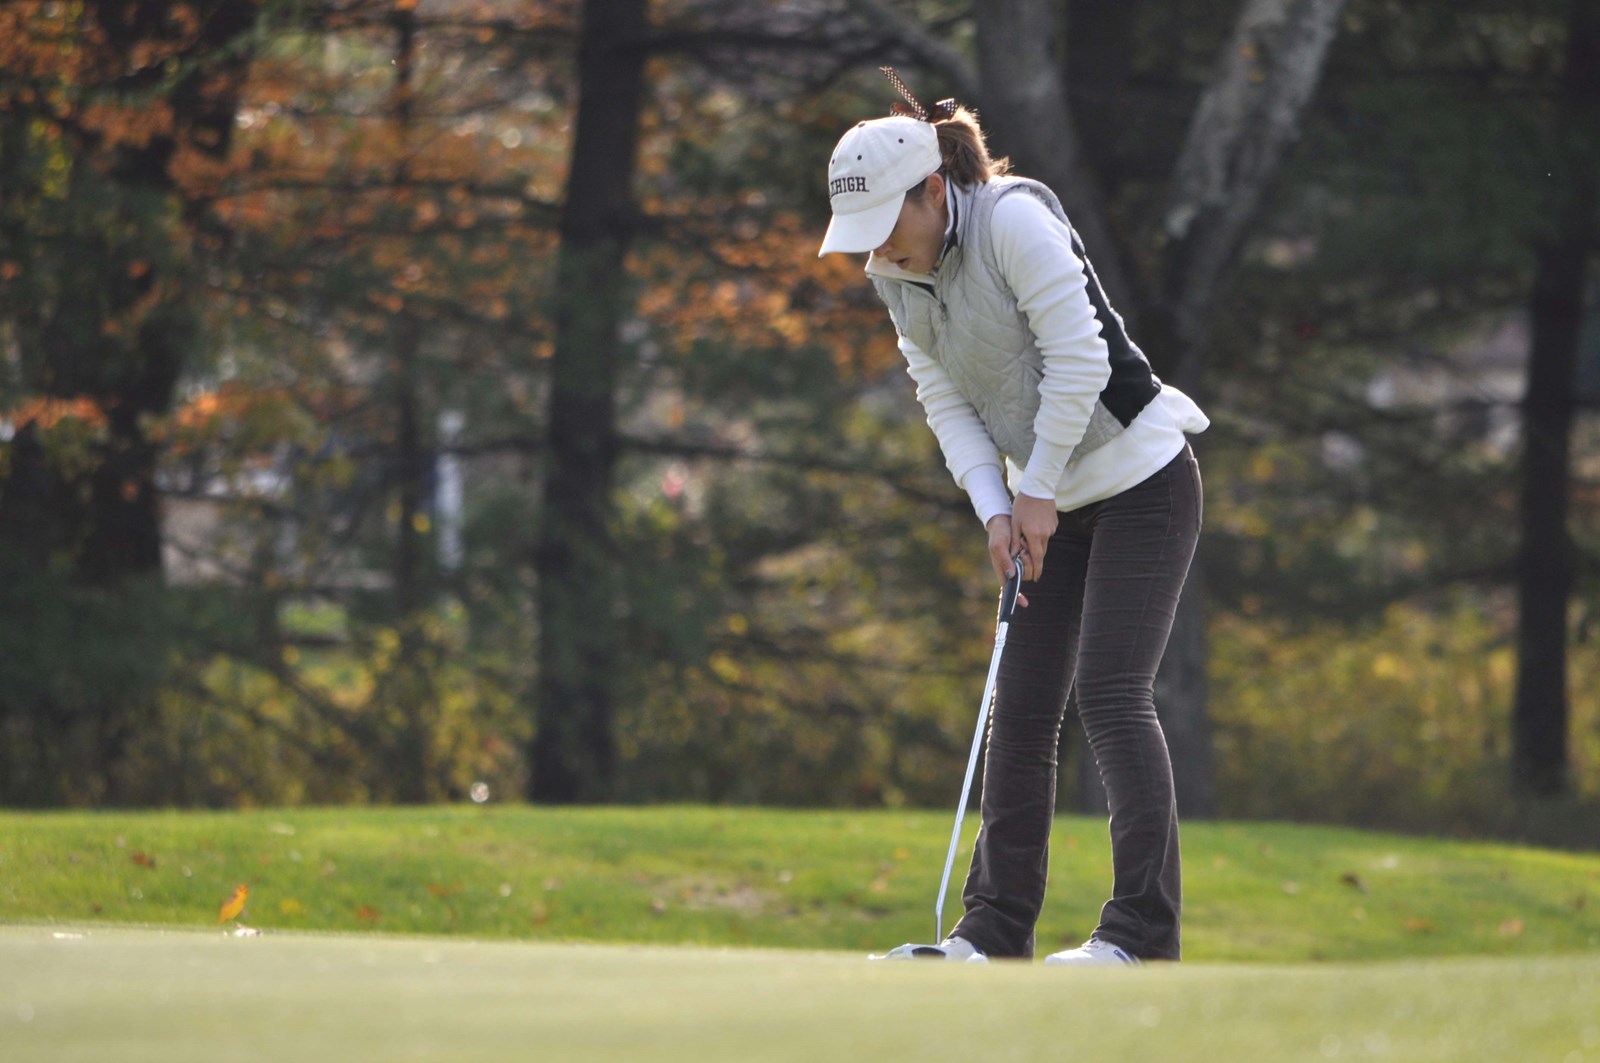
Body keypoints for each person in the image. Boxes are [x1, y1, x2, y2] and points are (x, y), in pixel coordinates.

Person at [819, 70, 1208, 966]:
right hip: (1044, 497)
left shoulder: (1014, 220)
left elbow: (1079, 360)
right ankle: (991, 932)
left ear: (930, 189)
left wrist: (1033, 493)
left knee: (1112, 692)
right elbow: (942, 394)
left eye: (887, 224)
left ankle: (1142, 934)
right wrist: (998, 509)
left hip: (1142, 477)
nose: (877, 250)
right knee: (1022, 709)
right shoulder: (897, 271)